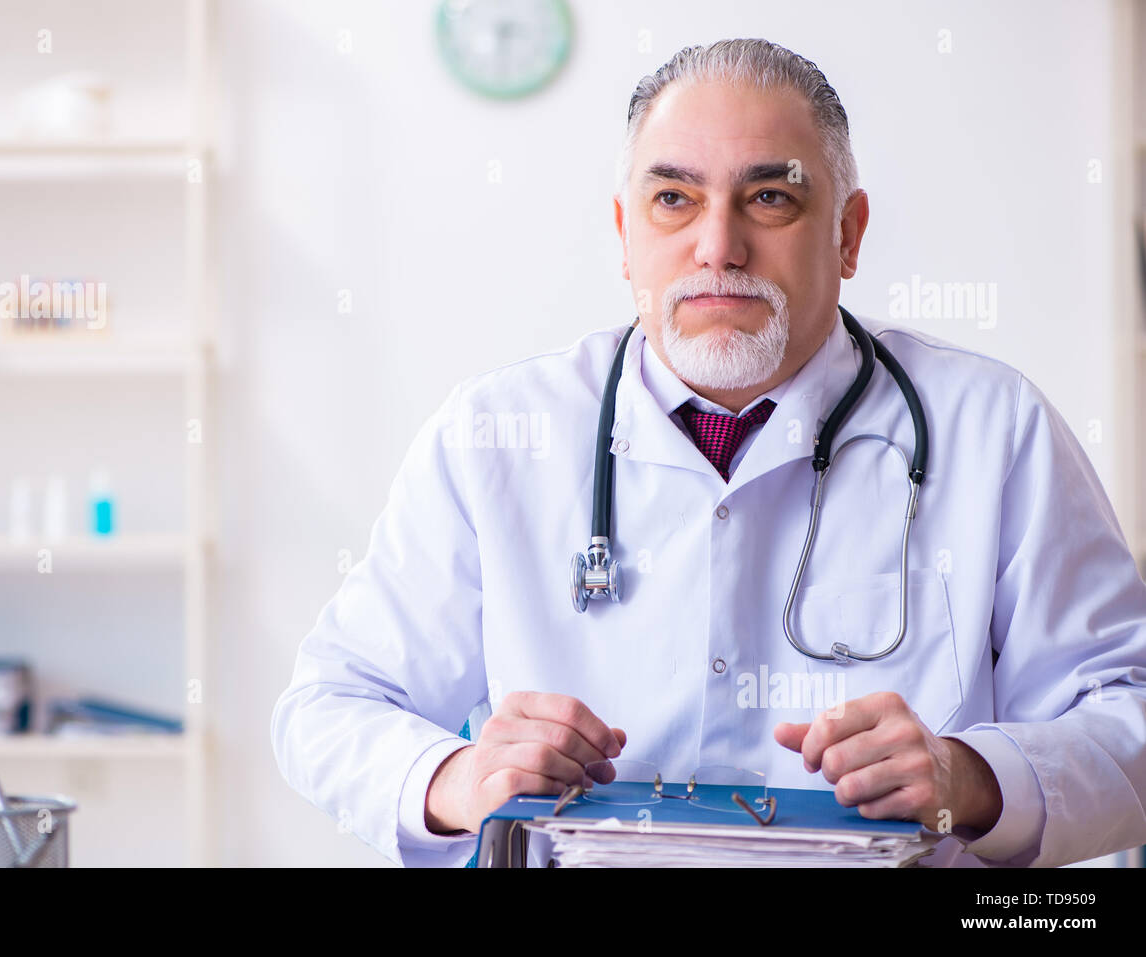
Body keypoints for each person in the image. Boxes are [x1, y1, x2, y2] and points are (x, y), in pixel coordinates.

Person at [271, 38, 1146, 868]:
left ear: (847, 233)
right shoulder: (495, 436)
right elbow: (326, 707)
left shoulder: (995, 428)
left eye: (770, 197)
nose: (718, 246)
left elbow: (1129, 715)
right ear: (625, 234)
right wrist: (454, 778)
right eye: (674, 199)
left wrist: (971, 777)